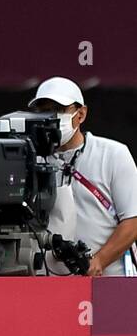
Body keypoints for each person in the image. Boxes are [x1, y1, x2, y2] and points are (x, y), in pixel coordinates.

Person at [28, 77, 137, 277]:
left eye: (59, 109)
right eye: (44, 110)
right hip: (48, 283)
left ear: (81, 114)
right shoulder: (29, 158)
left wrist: (100, 261)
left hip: (108, 280)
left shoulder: (114, 154)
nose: (51, 117)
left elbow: (132, 220)